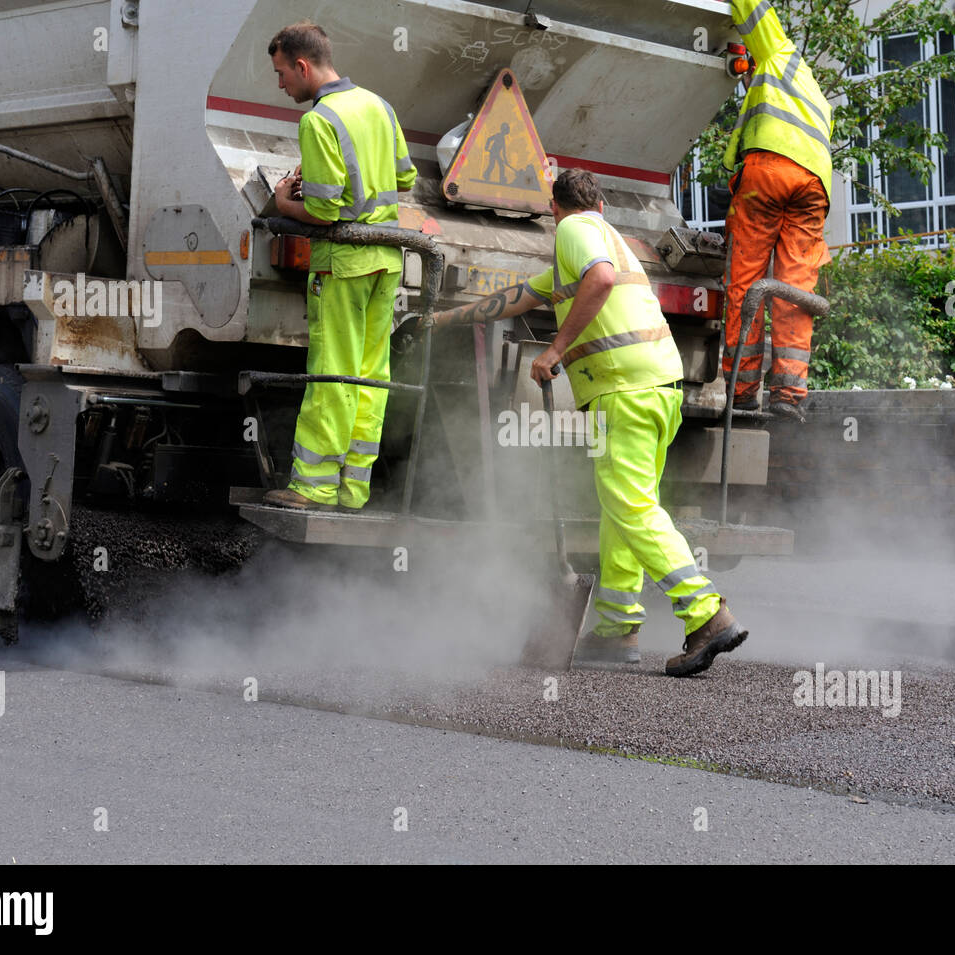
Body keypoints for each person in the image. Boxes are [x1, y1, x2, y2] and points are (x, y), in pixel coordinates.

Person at [430, 169, 749, 677]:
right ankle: (618, 625)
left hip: (624, 389)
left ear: (555, 208)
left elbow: (598, 280)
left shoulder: (574, 231)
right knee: (623, 506)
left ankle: (706, 613)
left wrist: (554, 351)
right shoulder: (606, 236)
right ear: (601, 203)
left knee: (630, 505)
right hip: (655, 386)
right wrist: (446, 319)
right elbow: (519, 297)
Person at [264, 20, 417, 511]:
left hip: (343, 265)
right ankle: (353, 490)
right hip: (386, 261)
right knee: (371, 377)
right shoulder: (380, 106)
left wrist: (285, 203)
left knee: (333, 374)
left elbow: (325, 212)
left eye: (282, 72)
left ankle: (312, 487)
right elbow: (405, 178)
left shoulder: (318, 120)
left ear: (303, 65)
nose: (280, 83)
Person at [722, 0, 833, 423]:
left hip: (768, 174)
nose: (748, 72)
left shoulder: (781, 53)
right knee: (793, 289)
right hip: (813, 189)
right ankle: (788, 393)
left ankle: (743, 389)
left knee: (746, 280)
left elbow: (753, 8)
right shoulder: (817, 101)